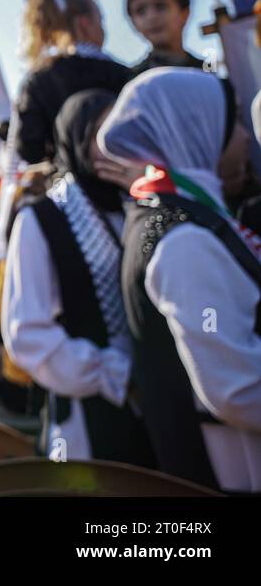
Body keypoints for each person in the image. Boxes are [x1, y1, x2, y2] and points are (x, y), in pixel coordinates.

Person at [99, 68, 261, 492]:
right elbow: (234, 390)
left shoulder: (166, 214)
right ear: (197, 128)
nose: (245, 136)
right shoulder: (183, 238)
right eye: (234, 122)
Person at [1, 90, 154, 466]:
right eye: (101, 134)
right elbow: (27, 334)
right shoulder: (41, 219)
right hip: (88, 417)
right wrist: (115, 372)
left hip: (159, 409)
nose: (115, 146)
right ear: (77, 138)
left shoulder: (143, 207)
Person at [125, 0, 208, 75]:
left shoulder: (207, 70)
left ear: (184, 13)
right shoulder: (133, 80)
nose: (151, 17)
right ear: (133, 23)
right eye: (141, 11)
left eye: (160, 6)